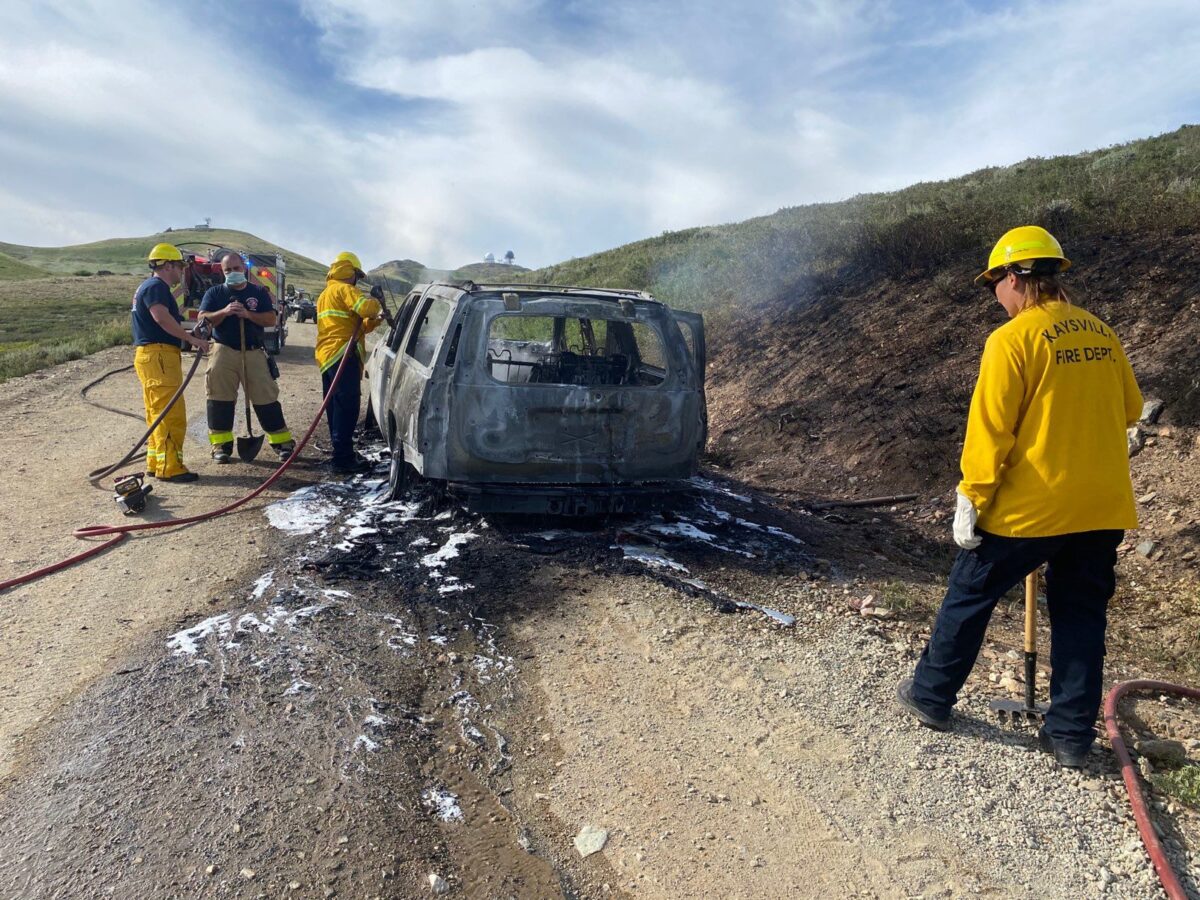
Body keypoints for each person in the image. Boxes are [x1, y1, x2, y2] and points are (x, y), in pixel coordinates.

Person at [896, 225, 1142, 769]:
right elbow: (1129, 409)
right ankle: (1070, 737)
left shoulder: (1012, 340)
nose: (996, 297)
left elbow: (991, 429)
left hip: (1032, 508)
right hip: (1100, 507)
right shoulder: (1103, 334)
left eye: (994, 285)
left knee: (970, 593)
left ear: (1014, 278)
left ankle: (931, 697)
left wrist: (972, 494)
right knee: (1081, 616)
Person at [197, 252, 296, 463]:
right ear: (223, 272)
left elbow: (270, 318)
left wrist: (248, 315)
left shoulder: (258, 292)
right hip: (223, 350)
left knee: (265, 396)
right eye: (228, 270)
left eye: (236, 268)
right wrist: (224, 312)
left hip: (253, 351)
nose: (233, 273)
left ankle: (282, 443)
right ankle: (221, 447)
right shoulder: (214, 293)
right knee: (218, 398)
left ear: (244, 268)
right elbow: (203, 319)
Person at [131, 243, 212, 482]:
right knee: (170, 413)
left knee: (156, 412)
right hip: (160, 356)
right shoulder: (156, 287)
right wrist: (190, 339)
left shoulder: (148, 287)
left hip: (151, 356)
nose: (181, 271)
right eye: (179, 266)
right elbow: (161, 317)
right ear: (167, 265)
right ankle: (171, 467)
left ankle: (156, 463)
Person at [314, 251, 384, 472]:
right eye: (357, 275)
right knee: (347, 407)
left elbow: (355, 326)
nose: (357, 280)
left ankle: (341, 452)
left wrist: (373, 323)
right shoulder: (345, 289)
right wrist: (377, 302)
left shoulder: (326, 293)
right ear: (350, 272)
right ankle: (343, 460)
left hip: (328, 356)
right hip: (343, 353)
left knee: (335, 406)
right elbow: (366, 308)